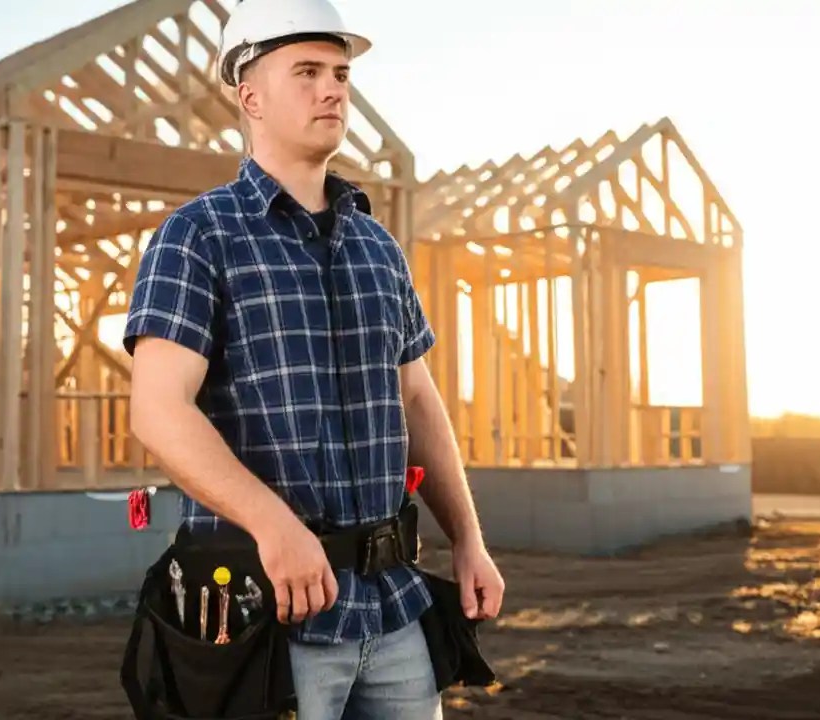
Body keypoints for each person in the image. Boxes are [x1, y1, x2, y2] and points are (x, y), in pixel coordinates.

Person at [123, 1, 504, 717]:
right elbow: (157, 408)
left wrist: (469, 539)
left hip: (392, 612)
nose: (333, 89)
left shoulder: (376, 246)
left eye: (340, 72)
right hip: (266, 618)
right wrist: (274, 525)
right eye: (307, 71)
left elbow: (417, 400)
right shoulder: (197, 237)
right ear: (250, 96)